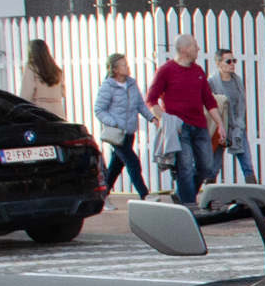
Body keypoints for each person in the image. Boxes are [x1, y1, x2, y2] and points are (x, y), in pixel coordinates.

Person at [147, 33, 219, 206]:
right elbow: (151, 99)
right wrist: (166, 121)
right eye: (195, 46)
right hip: (180, 128)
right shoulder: (165, 71)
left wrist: (220, 125)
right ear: (185, 49)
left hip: (199, 125)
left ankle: (182, 195)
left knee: (207, 166)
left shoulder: (198, 71)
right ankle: (189, 206)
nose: (199, 49)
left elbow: (209, 100)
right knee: (185, 168)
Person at [93, 53, 148, 198]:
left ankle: (102, 195)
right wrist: (114, 123)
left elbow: (140, 104)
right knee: (133, 162)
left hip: (129, 133)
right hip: (117, 134)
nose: (128, 67)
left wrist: (152, 117)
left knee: (116, 166)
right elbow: (99, 110)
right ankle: (144, 194)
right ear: (116, 69)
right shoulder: (108, 86)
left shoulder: (131, 83)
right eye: (124, 65)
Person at [210, 48, 256, 184]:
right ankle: (209, 198)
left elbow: (241, 104)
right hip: (220, 128)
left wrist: (239, 124)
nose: (232, 64)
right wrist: (219, 125)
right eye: (228, 61)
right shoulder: (211, 82)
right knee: (213, 166)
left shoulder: (237, 81)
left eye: (234, 61)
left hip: (237, 126)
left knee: (247, 163)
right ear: (219, 64)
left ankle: (255, 194)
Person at [17, 39, 66, 117]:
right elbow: (62, 92)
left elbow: (26, 95)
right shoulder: (56, 70)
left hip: (40, 112)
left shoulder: (32, 68)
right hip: (58, 111)